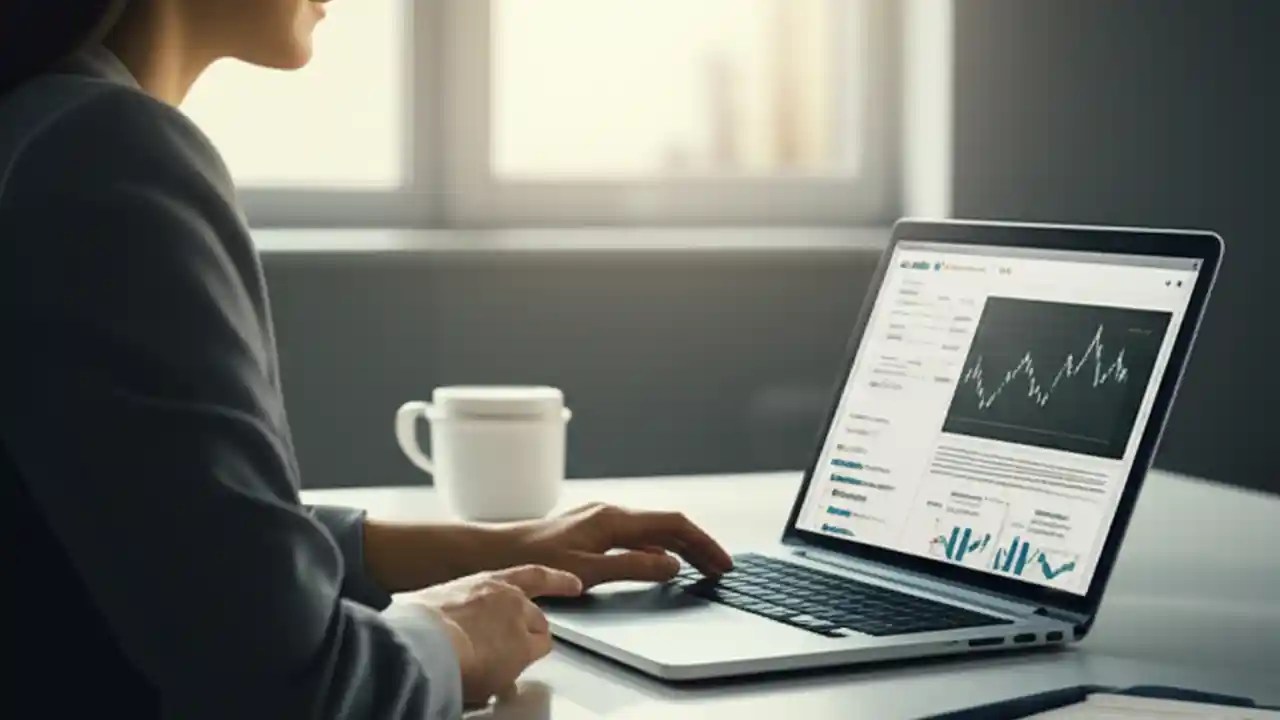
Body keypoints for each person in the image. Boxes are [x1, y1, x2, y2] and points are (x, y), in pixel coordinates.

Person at [0, 1, 734, 717]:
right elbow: (285, 686)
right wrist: (449, 639)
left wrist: (493, 546)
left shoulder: (42, 124)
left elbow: (168, 529)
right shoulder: (104, 150)